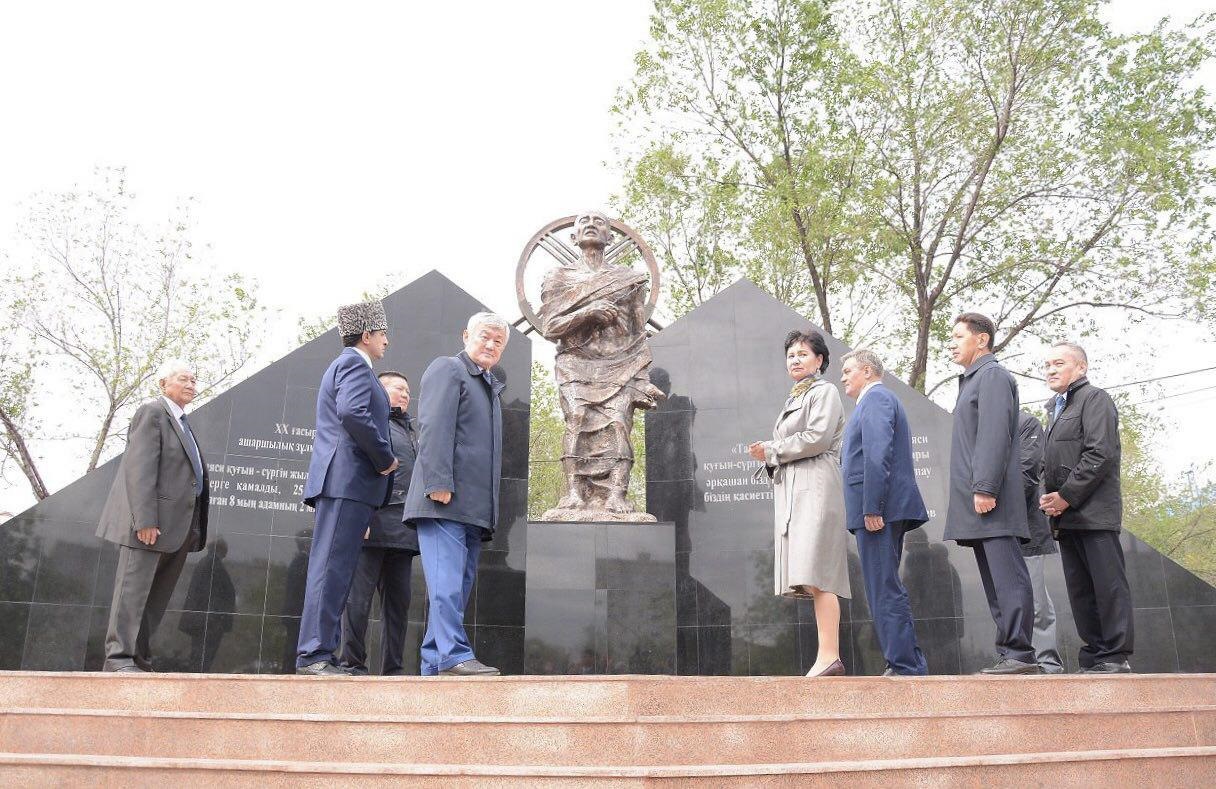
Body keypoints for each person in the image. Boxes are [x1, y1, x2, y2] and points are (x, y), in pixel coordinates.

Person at [537, 210, 665, 520]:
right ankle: (574, 493)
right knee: (577, 419)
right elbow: (550, 327)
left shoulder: (629, 279)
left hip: (618, 365)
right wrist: (588, 313)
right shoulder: (558, 278)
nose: (592, 225)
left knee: (619, 423)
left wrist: (641, 378)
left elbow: (638, 333)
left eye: (600, 222)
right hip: (575, 364)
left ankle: (616, 494)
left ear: (610, 237)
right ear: (574, 237)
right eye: (585, 222)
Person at [403, 312, 509, 676]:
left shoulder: (489, 387)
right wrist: (438, 482)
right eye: (485, 337)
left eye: (498, 341)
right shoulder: (449, 369)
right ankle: (452, 655)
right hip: (443, 502)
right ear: (466, 335)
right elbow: (433, 425)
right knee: (446, 586)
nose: (491, 345)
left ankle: (436, 663)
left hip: (474, 510)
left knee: (455, 591)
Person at [296, 301, 397, 676]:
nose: (387, 340)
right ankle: (314, 655)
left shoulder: (346, 365)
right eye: (382, 332)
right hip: (346, 481)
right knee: (331, 569)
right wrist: (384, 457)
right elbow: (353, 413)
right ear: (367, 334)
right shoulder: (354, 364)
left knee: (335, 569)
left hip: (349, 486)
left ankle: (321, 652)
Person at [749, 329, 850, 677]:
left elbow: (817, 438)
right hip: (796, 487)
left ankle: (829, 655)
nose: (795, 359)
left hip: (817, 485)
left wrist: (772, 450)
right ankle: (826, 655)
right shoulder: (796, 396)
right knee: (810, 576)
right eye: (791, 354)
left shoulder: (825, 392)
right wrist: (769, 455)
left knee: (819, 572)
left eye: (803, 354)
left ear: (820, 360)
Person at [97, 359, 209, 672]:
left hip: (177, 530)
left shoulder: (183, 422)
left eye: (193, 379)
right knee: (132, 592)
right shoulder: (153, 412)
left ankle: (138, 658)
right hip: (149, 526)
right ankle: (118, 658)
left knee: (154, 598)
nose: (190, 385)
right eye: (183, 379)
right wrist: (145, 520)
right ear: (163, 384)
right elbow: (139, 469)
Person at [944, 313, 1039, 675]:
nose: (951, 344)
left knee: (1007, 575)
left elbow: (994, 435)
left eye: (957, 336)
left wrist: (984, 486)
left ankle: (1020, 654)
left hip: (991, 499)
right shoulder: (972, 380)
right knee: (994, 578)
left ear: (981, 340)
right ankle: (1010, 652)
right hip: (980, 502)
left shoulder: (993, 376)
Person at [1040, 342, 1133, 673]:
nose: (1050, 370)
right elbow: (1051, 462)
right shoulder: (1056, 408)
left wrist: (1066, 495)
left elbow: (1100, 453)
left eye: (1059, 363)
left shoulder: (1095, 399)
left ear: (1080, 368)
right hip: (1067, 519)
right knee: (1081, 591)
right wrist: (1050, 498)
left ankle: (1116, 656)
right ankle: (1095, 656)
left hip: (1095, 514)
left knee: (1108, 586)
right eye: (1047, 365)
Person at [839, 349, 929, 676]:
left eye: (848, 370)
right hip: (881, 508)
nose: (843, 376)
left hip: (879, 511)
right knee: (881, 584)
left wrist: (871, 507)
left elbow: (877, 455)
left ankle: (905, 666)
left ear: (866, 371)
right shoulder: (874, 402)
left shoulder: (875, 400)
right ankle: (905, 662)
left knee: (883, 586)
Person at [338, 371, 420, 676]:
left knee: (398, 607)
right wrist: (364, 516)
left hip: (404, 531)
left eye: (408, 390)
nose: (404, 394)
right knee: (357, 601)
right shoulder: (371, 423)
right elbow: (359, 472)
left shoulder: (410, 431)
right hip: (372, 524)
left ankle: (393, 669)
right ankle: (352, 664)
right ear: (378, 391)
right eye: (398, 388)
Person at [1017, 411, 1064, 674]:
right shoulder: (983, 429)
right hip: (1002, 531)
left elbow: (1028, 473)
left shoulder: (1026, 423)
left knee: (1036, 603)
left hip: (1029, 528)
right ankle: (1019, 660)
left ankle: (1048, 663)